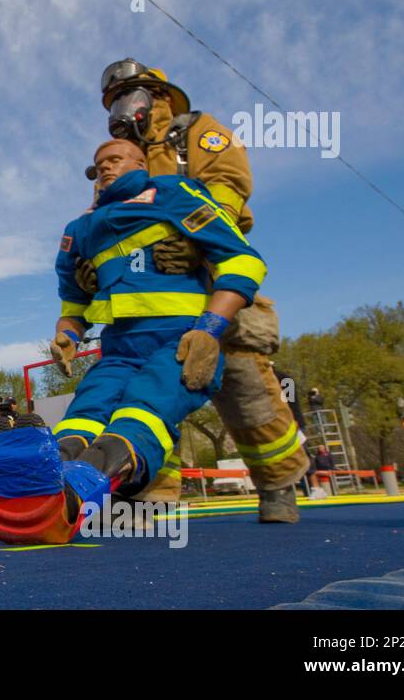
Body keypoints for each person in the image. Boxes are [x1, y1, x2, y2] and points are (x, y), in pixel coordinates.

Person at [0, 139, 268, 544]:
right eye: (97, 167)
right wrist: (68, 336)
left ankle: (76, 491)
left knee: (142, 409)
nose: (104, 170)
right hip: (118, 348)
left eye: (114, 160)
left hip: (180, 340)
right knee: (84, 413)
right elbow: (73, 302)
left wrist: (209, 328)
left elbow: (243, 260)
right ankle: (38, 481)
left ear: (141, 162)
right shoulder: (80, 231)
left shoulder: (174, 194)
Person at [85, 58, 308, 522]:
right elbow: (101, 229)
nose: (121, 111)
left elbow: (228, 185)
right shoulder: (119, 164)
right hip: (149, 303)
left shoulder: (198, 134)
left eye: (129, 98)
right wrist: (92, 270)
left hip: (210, 286)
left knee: (247, 388)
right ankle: (147, 494)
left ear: (158, 99)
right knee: (143, 394)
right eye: (115, 103)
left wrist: (192, 241)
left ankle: (278, 484)